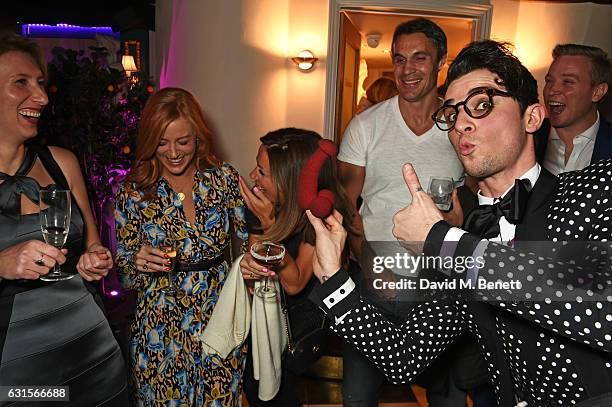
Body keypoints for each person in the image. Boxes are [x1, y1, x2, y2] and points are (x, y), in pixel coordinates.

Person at [307, 40, 612, 407]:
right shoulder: (463, 241)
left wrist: (441, 240)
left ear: (531, 117)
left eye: (482, 104)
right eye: (451, 113)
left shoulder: (594, 189)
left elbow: (598, 308)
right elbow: (402, 357)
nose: (461, 123)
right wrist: (333, 278)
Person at [337, 18, 475, 407]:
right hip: (376, 278)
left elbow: (480, 200)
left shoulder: (461, 128)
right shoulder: (366, 126)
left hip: (441, 283)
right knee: (358, 397)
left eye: (419, 58)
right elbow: (348, 207)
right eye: (398, 59)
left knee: (446, 397)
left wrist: (461, 224)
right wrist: (371, 269)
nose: (406, 69)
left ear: (441, 62)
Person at [0, 32, 128, 404]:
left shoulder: (61, 162)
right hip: (15, 366)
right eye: (20, 83)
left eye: (40, 84)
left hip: (91, 349)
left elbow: (93, 245)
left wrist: (95, 260)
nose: (40, 97)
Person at [114, 87, 248, 406]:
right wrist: (136, 262)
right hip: (160, 330)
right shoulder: (133, 192)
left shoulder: (224, 179)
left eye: (183, 141)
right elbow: (124, 275)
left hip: (220, 319)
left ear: (198, 138)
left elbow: (248, 244)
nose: (173, 153)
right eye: (161, 142)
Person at [237, 128, 357, 406]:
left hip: (296, 335)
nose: (253, 176)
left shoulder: (320, 211)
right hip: (266, 324)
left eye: (262, 171)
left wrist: (269, 228)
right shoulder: (266, 206)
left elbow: (295, 282)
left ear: (288, 180)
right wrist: (260, 226)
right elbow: (255, 282)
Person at [536, 43, 612, 174]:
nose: (552, 89)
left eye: (568, 82)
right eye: (549, 81)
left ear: (597, 92)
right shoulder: (526, 139)